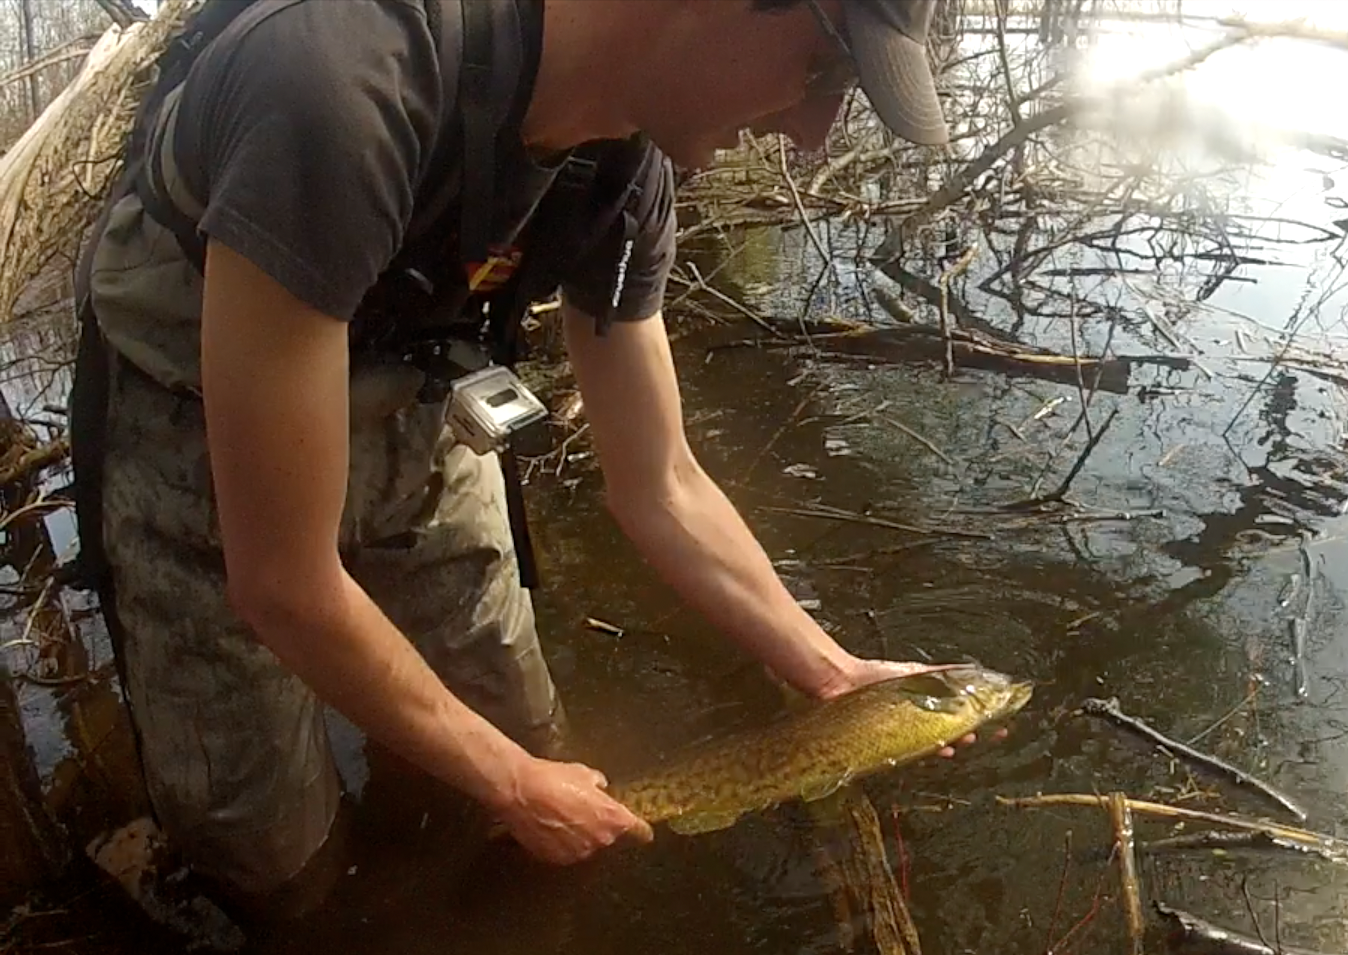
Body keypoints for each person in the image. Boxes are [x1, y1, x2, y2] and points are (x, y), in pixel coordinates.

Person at [70, 0, 979, 922]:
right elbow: (281, 584)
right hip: (199, 417)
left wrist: (831, 673)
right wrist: (509, 781)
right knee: (277, 861)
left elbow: (661, 483)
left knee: (534, 749)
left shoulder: (625, 165)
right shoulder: (337, 83)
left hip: (410, 388)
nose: (814, 134)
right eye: (824, 69)